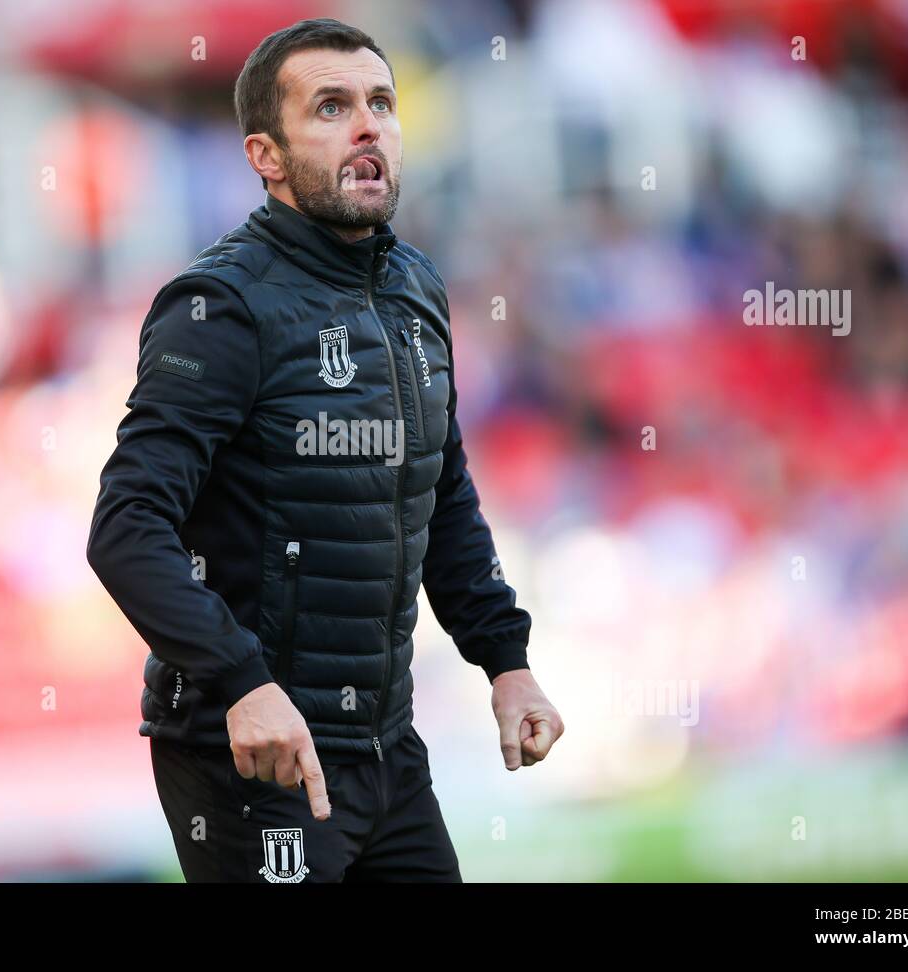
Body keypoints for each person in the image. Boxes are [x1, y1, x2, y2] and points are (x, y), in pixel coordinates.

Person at [87, 18, 562, 883]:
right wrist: (243, 684)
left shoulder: (415, 288)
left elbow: (442, 493)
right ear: (266, 156)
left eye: (381, 103)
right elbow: (125, 527)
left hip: (387, 745)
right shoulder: (219, 307)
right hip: (257, 757)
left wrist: (506, 662)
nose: (368, 125)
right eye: (333, 107)